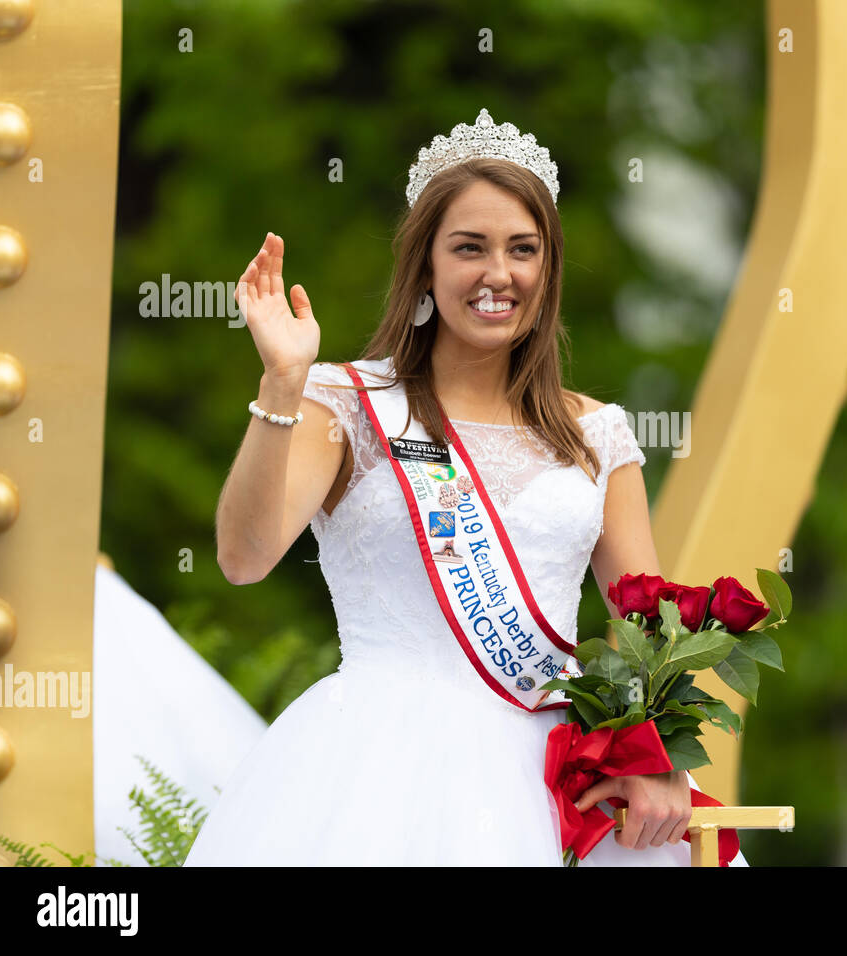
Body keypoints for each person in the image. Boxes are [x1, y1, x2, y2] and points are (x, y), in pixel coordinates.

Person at [184, 109, 746, 866]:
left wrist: (663, 760)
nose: (498, 274)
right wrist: (282, 384)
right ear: (425, 266)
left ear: (547, 270)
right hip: (376, 774)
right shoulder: (345, 404)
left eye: (523, 249)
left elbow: (647, 625)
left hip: (558, 781)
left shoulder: (598, 433)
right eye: (468, 248)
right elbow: (242, 557)